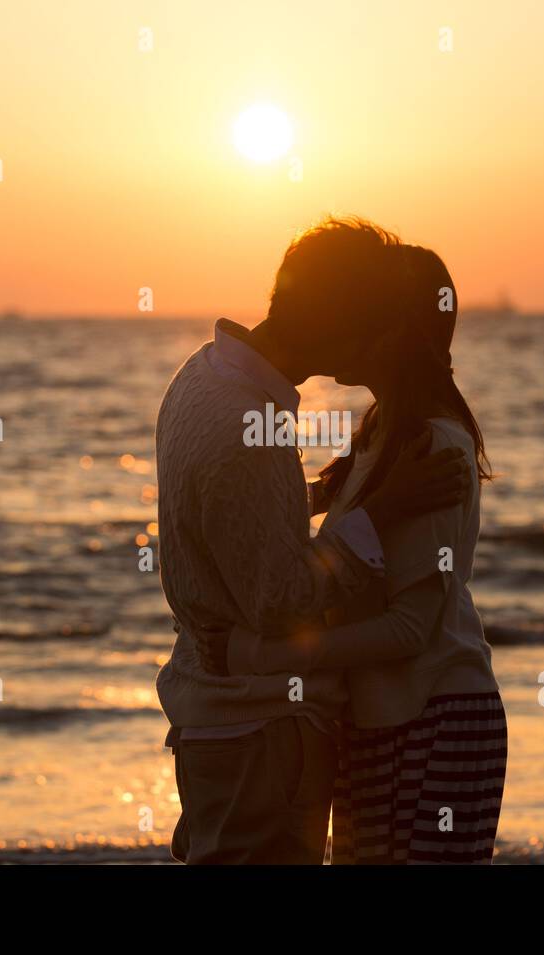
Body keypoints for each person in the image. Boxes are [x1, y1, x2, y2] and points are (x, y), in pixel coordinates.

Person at [155, 217, 471, 864]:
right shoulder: (254, 423)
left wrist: (317, 498)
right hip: (262, 733)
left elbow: (226, 524)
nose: (381, 336)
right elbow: (283, 598)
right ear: (340, 322)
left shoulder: (202, 375)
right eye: (373, 317)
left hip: (208, 716)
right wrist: (380, 511)